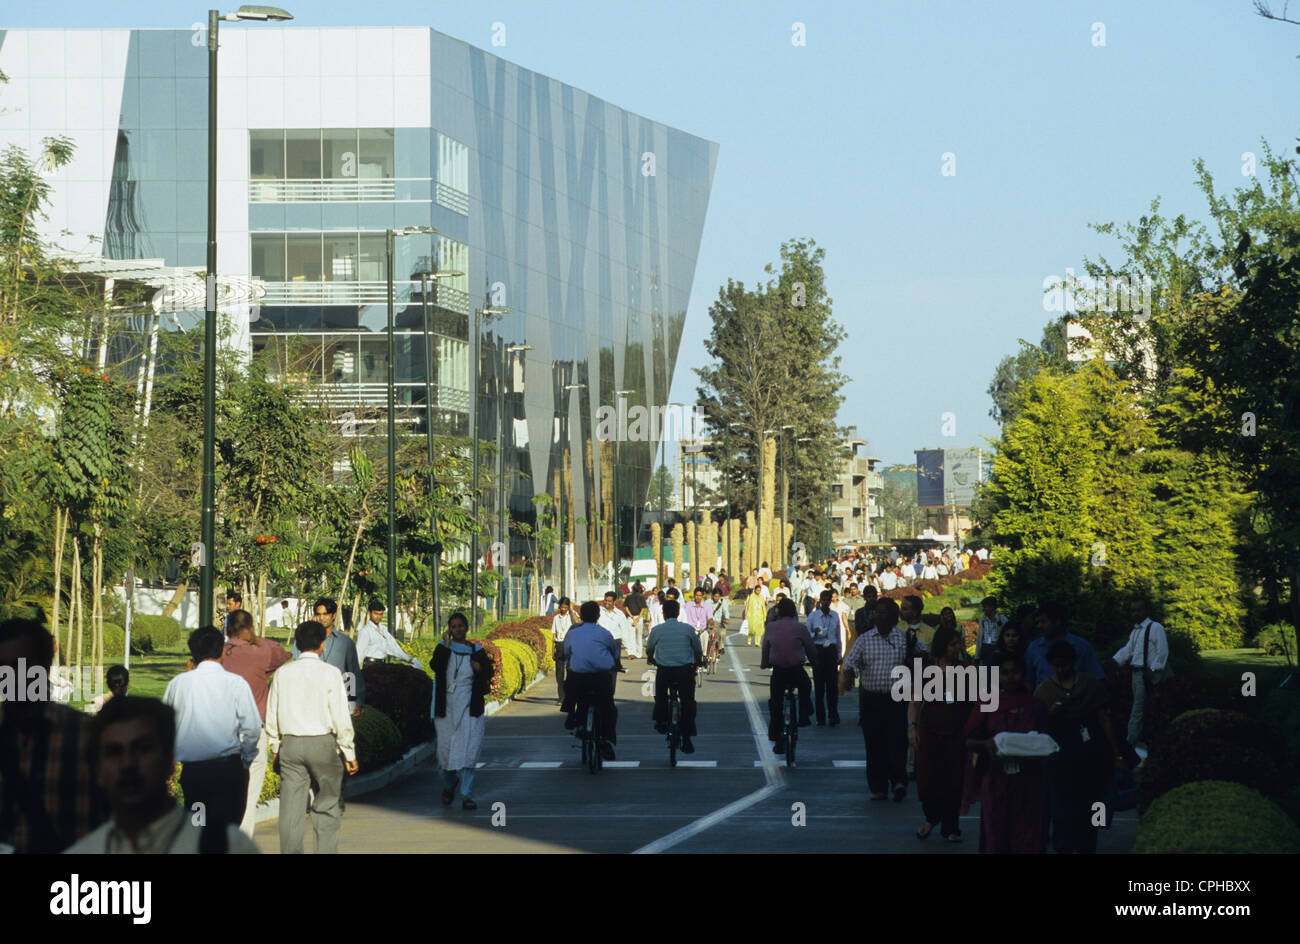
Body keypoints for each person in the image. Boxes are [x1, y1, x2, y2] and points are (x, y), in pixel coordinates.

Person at [64, 697, 260, 854]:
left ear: (170, 762)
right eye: (114, 752)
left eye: (143, 749)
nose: (127, 764)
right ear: (97, 770)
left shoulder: (228, 847)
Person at [0, 617, 107, 852]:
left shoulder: (87, 737)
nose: (10, 677)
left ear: (46, 667)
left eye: (20, 666)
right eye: (2, 667)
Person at [266, 621, 358, 854]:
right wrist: (349, 751)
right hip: (323, 744)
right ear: (322, 645)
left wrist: (275, 745)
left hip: (292, 744)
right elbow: (340, 714)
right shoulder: (330, 673)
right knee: (327, 805)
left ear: (297, 644)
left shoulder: (282, 673)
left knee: (291, 810)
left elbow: (272, 713)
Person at [162, 627, 261, 832]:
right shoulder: (235, 684)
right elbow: (252, 728)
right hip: (229, 772)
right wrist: (247, 758)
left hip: (195, 775)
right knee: (227, 830)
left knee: (199, 828)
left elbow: (163, 726)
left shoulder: (177, 684)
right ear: (222, 651)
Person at [1034, 640, 1126, 855]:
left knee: (1091, 806)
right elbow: (1038, 726)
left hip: (1090, 755)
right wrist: (1051, 714)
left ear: (1073, 663)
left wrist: (1117, 754)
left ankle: (1087, 845)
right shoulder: (1045, 690)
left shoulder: (1089, 684)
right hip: (1060, 759)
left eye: (1064, 665)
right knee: (1061, 809)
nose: (1061, 669)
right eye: (1056, 665)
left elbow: (1104, 719)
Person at [843, 599, 927, 802]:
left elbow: (925, 655)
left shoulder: (905, 639)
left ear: (894, 618)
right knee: (874, 745)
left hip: (897, 700)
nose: (879, 617)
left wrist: (916, 666)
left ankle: (898, 782)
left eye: (884, 613)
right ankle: (878, 787)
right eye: (877, 613)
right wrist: (849, 674)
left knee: (897, 742)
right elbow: (850, 662)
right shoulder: (864, 640)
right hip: (871, 700)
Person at [964, 654, 1050, 854]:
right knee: (996, 836)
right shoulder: (988, 702)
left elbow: (1048, 739)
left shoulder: (1035, 705)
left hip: (1029, 783)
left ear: (1024, 674)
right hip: (996, 782)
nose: (1010, 677)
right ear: (997, 676)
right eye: (1005, 673)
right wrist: (986, 744)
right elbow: (968, 741)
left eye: (1015, 672)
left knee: (1028, 836)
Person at [222, 608, 292, 837]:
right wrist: (255, 638)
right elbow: (283, 655)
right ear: (249, 628)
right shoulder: (262, 652)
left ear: (226, 629)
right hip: (253, 731)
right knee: (249, 795)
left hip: (223, 732)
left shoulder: (220, 654)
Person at [909, 626, 977, 842]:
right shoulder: (928, 670)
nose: (957, 648)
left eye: (959, 644)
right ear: (942, 645)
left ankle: (951, 826)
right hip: (930, 731)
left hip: (958, 731)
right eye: (952, 644)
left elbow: (978, 703)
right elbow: (915, 701)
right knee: (928, 777)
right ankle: (931, 817)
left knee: (954, 779)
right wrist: (911, 726)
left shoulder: (967, 669)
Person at [431, 612, 493, 810]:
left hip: (469, 707)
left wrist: (479, 668)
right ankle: (450, 784)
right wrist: (447, 647)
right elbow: (436, 666)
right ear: (449, 629)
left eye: (461, 626)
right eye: (454, 626)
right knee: (444, 754)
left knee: (469, 751)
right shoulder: (443, 648)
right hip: (446, 707)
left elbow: (489, 672)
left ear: (466, 628)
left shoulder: (476, 650)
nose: (457, 629)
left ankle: (466, 794)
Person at [562, 601, 620, 759]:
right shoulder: (604, 633)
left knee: (571, 691)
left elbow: (566, 652)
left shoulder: (572, 633)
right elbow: (614, 652)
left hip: (578, 678)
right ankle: (606, 739)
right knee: (609, 709)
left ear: (580, 616)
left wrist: (570, 661)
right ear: (598, 616)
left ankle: (571, 715)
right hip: (600, 677)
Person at [646, 599, 703, 753]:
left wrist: (651, 658)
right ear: (678, 613)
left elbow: (650, 648)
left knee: (661, 696)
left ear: (663, 614)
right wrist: (698, 661)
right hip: (684, 671)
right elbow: (697, 649)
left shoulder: (657, 630)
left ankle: (661, 721)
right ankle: (687, 737)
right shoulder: (687, 629)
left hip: (664, 670)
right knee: (688, 701)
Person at [1111, 597, 1170, 746]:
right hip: (1136, 673)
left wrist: (1153, 669)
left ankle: (1130, 742)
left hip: (1149, 674)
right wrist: (1115, 660)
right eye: (1133, 611)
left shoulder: (1155, 627)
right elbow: (1128, 650)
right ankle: (1143, 739)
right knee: (1140, 707)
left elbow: (1162, 651)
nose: (1135, 614)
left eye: (1139, 610)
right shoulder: (1135, 631)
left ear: (1146, 610)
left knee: (1139, 708)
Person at [761, 597, 816, 754]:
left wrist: (764, 663)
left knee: (775, 702)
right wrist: (814, 662)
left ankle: (776, 734)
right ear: (793, 612)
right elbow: (811, 649)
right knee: (806, 686)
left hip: (778, 670)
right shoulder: (800, 627)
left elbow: (765, 648)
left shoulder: (771, 627)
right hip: (795, 669)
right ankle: (804, 714)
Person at [301, 597, 364, 716]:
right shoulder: (306, 640)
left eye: (326, 614)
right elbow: (296, 662)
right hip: (310, 698)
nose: (321, 618)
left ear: (334, 615)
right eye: (318, 614)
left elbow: (353, 673)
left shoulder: (345, 643)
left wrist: (357, 702)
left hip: (336, 700)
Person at [1023, 601, 1105, 692]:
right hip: (1044, 702)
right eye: (1037, 622)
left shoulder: (1081, 646)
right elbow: (1028, 681)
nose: (1039, 626)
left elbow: (1097, 678)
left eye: (1043, 621)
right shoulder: (1034, 648)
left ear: (1057, 621)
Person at [356, 599, 422, 669]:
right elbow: (359, 653)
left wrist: (408, 659)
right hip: (370, 666)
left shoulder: (383, 629)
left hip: (382, 665)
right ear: (369, 613)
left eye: (380, 614)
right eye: (376, 613)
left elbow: (393, 646)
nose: (378, 617)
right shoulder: (365, 631)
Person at [598, 591, 640, 660]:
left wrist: (629, 651)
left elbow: (624, 632)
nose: (606, 603)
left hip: (615, 643)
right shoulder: (598, 611)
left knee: (615, 666)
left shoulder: (620, 614)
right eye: (605, 600)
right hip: (601, 642)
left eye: (609, 601)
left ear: (614, 602)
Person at [551, 597, 575, 705]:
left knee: (570, 672)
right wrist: (553, 650)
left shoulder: (571, 616)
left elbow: (577, 622)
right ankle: (561, 697)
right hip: (559, 645)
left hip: (569, 645)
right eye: (562, 607)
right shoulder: (556, 618)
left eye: (566, 607)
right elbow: (553, 634)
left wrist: (572, 610)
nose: (563, 609)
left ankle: (570, 696)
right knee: (559, 674)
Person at [682, 587, 715, 662]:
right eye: (696, 595)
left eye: (700, 595)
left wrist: (712, 624)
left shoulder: (707, 606)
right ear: (694, 595)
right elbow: (683, 616)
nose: (698, 597)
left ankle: (703, 655)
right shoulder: (688, 605)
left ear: (703, 596)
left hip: (702, 629)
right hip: (691, 629)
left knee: (705, 636)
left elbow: (710, 618)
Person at [974, 596, 1007, 664]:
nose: (983, 609)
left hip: (997, 648)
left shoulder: (1002, 619)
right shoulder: (983, 620)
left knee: (996, 671)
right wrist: (977, 656)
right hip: (985, 648)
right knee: (986, 672)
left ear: (992, 607)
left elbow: (1005, 634)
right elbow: (979, 638)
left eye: (985, 607)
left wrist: (999, 623)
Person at [709, 586, 730, 655]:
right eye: (715, 596)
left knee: (722, 633)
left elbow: (725, 611)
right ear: (712, 595)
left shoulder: (723, 602)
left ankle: (721, 647)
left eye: (718, 596)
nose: (716, 598)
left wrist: (726, 619)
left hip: (720, 622)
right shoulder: (708, 602)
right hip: (710, 622)